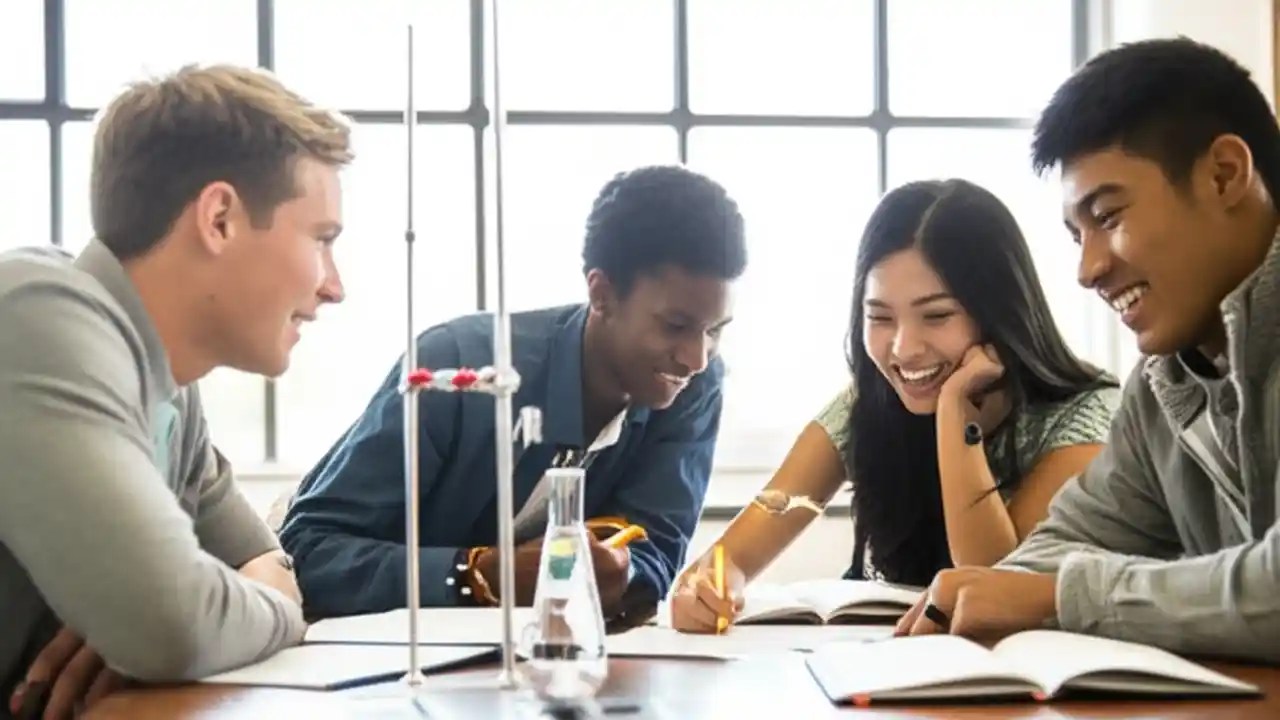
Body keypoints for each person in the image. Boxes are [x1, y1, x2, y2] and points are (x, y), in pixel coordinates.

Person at [895, 38, 1280, 665]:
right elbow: (1073, 540)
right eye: (1077, 234)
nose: (1088, 268)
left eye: (1108, 216)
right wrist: (976, 595)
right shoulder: (1162, 386)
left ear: (1224, 175)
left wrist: (1058, 596)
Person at [0, 64, 352, 718]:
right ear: (219, 218)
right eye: (321, 240)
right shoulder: (34, 313)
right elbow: (173, 622)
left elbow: (266, 564)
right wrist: (188, 615)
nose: (334, 286)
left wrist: (183, 615)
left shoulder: (173, 393)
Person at [279, 164, 747, 629]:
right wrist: (478, 576)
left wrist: (622, 574)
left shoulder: (694, 387)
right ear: (601, 293)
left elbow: (655, 554)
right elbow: (308, 550)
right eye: (676, 326)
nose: (697, 358)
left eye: (715, 331)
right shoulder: (459, 365)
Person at [672, 178, 1120, 634]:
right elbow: (729, 560)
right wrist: (710, 587)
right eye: (880, 317)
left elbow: (993, 591)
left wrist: (954, 419)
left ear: (1000, 312)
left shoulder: (1086, 420)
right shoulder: (868, 406)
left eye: (937, 315)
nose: (904, 350)